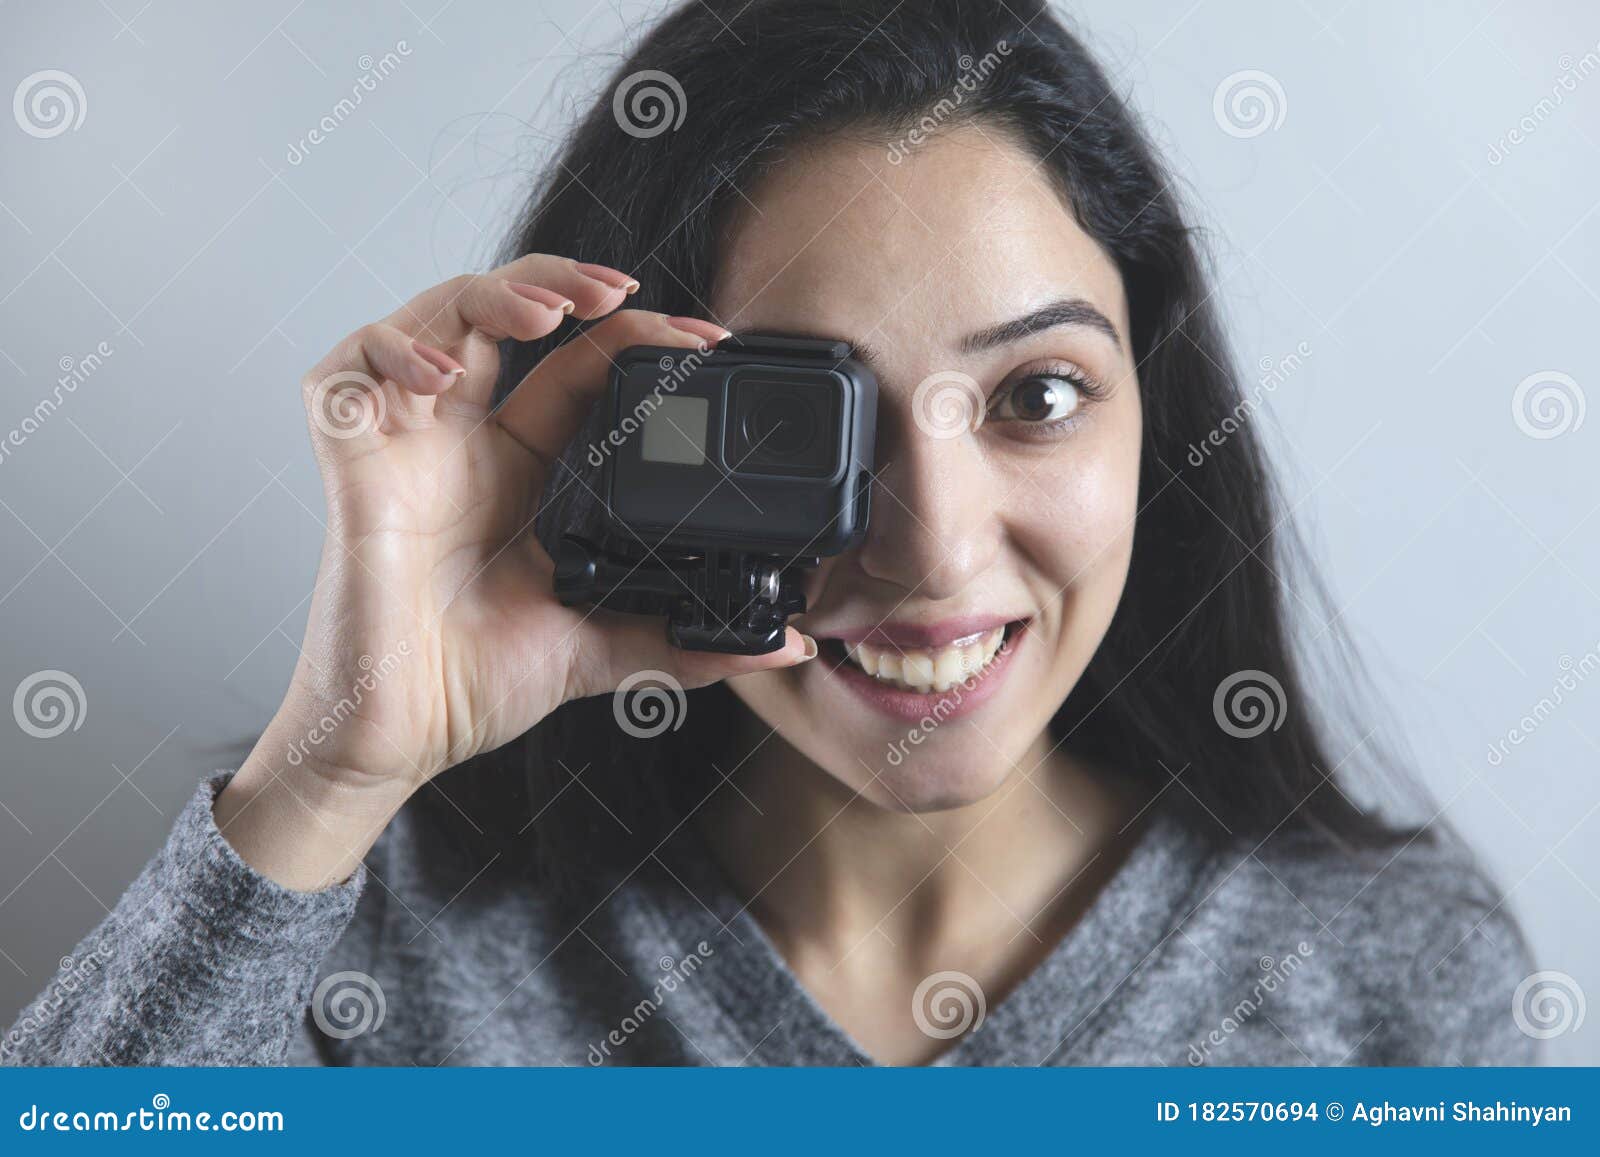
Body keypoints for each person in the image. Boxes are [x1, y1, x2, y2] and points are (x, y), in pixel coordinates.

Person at [3, 0, 1534, 1067]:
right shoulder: (368, 961)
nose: (929, 550)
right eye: (810, 419)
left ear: (1158, 413)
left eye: (1039, 394)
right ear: (623, 428)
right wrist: (330, 772)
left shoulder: (1386, 991)